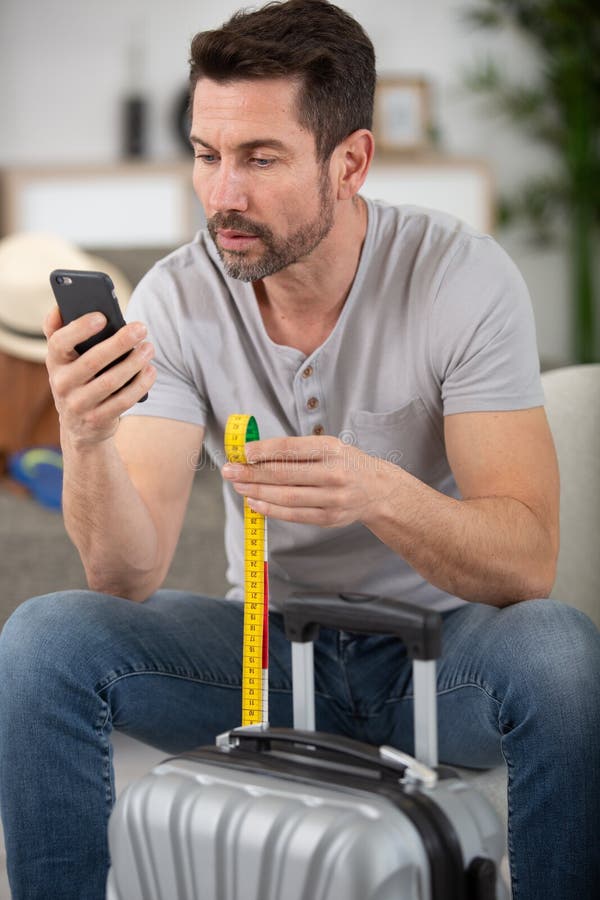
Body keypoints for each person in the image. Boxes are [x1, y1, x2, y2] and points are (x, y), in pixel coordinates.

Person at [0, 1, 598, 897]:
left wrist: (379, 493)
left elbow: (527, 563)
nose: (221, 195)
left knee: (560, 654)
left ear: (350, 160)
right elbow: (125, 576)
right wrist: (85, 436)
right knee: (42, 640)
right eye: (207, 154)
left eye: (259, 159)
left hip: (436, 660)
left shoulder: (461, 280)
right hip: (267, 658)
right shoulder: (179, 297)